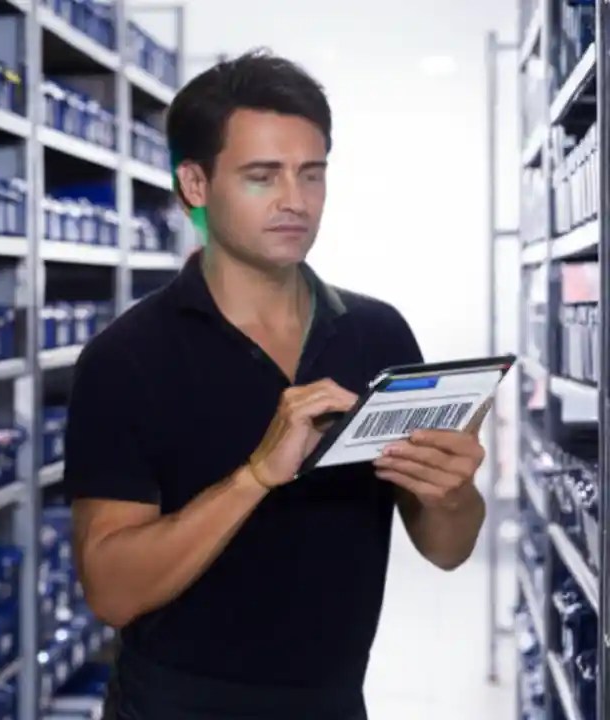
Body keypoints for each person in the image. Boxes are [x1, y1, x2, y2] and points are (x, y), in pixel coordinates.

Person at [64, 49, 490, 720]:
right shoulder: (127, 358)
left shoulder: (377, 336)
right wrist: (257, 475)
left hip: (335, 704)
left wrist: (455, 492)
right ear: (196, 185)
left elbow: (445, 549)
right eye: (263, 176)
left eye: (311, 174)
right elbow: (111, 592)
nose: (296, 200)